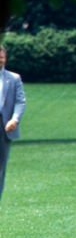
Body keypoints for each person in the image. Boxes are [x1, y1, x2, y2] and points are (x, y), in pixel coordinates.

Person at [0, 44, 27, 202]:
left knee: (1, 167)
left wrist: (15, 119)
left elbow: (20, 102)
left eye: (2, 57)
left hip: (4, 126)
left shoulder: (14, 78)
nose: (0, 60)